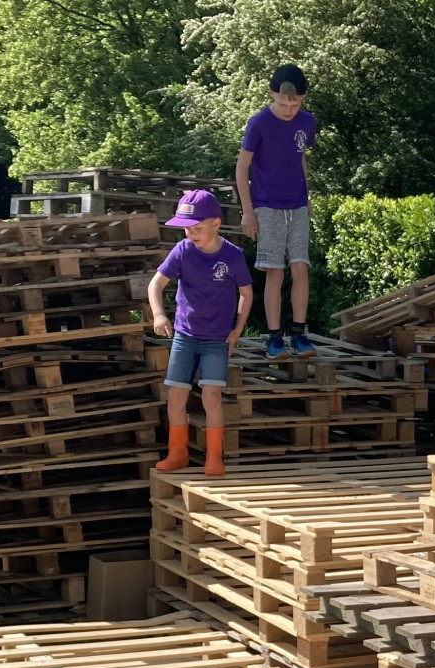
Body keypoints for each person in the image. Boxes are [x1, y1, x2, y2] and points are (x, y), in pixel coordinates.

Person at [148, 189, 254, 477]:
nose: (190, 233)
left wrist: (236, 330)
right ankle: (177, 453)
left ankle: (214, 458)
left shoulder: (232, 256)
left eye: (196, 228)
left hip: (216, 339)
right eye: (185, 228)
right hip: (184, 335)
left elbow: (246, 293)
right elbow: (155, 285)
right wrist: (159, 314)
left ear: (215, 223)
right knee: (176, 396)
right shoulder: (182, 250)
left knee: (211, 396)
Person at [237, 62, 317, 360]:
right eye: (283, 102)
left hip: (297, 203)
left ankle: (299, 333)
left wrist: (307, 195)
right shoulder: (259, 123)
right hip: (267, 204)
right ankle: (274, 338)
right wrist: (248, 211)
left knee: (300, 267)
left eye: (294, 103)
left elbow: (301, 159)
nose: (288, 108)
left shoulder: (307, 123)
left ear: (303, 99)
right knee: (275, 272)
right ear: (272, 95)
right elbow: (242, 166)